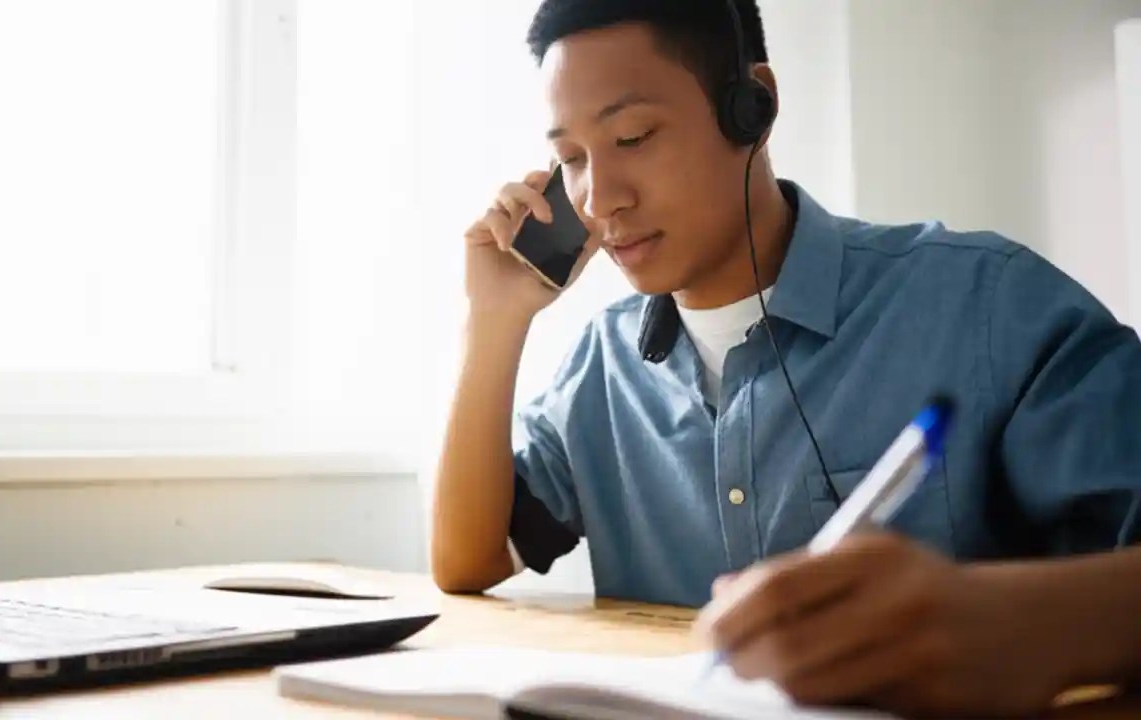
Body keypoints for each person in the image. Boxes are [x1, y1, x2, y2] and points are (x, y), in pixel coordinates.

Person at [430, 0, 1141, 715]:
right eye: (572, 159)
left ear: (753, 107)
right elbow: (470, 559)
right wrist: (493, 321)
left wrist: (1003, 621)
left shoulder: (984, 302)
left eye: (633, 136)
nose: (599, 199)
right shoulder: (603, 365)